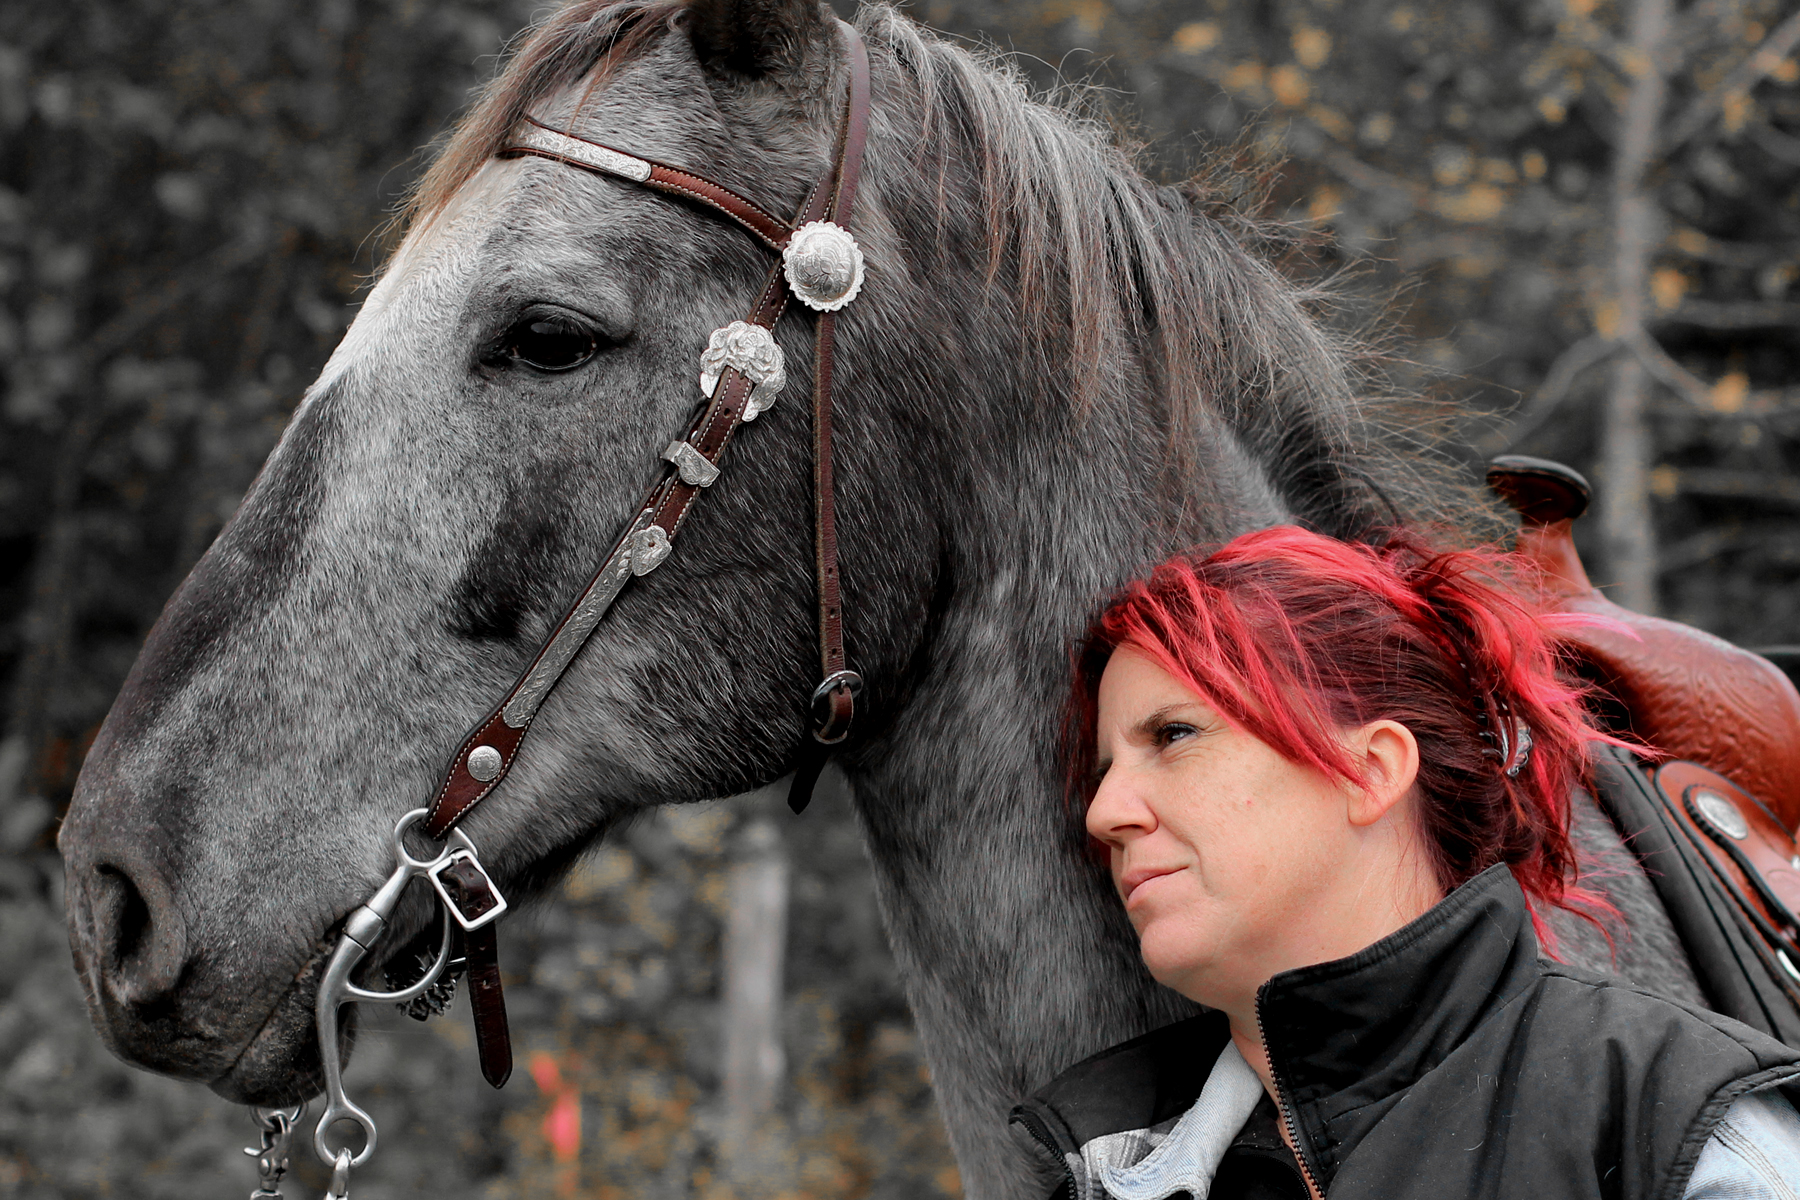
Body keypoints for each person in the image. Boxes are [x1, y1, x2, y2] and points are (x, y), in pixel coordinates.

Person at [1009, 527, 1800, 1200]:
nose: (1105, 814)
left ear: (1372, 770)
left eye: (1174, 736)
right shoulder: (1109, 1165)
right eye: (1107, 768)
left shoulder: (1674, 1118)